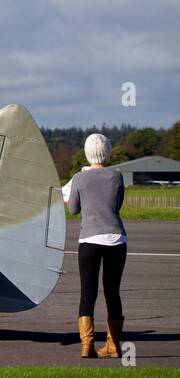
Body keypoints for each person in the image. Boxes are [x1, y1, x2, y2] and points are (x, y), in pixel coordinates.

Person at [64, 133, 126, 358]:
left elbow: (73, 209)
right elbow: (116, 206)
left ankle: (86, 344)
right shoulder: (117, 177)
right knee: (113, 292)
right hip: (116, 239)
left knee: (88, 293)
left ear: (88, 153)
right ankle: (114, 345)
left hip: (89, 240)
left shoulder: (80, 179)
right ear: (107, 152)